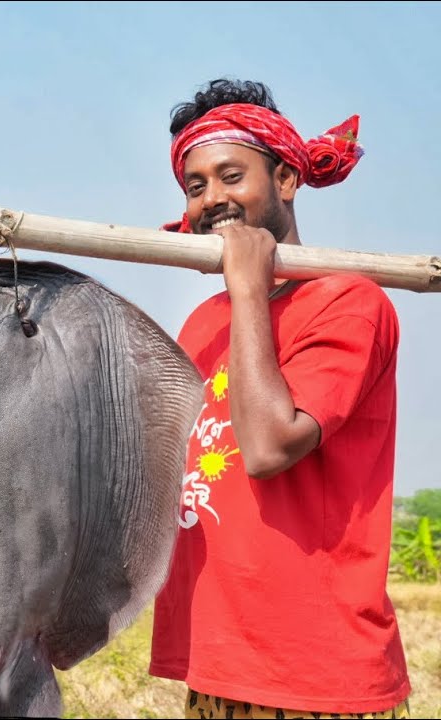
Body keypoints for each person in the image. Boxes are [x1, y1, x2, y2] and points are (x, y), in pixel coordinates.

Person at [148, 78, 411, 719]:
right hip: (217, 660)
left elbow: (268, 447)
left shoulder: (350, 302)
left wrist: (246, 287)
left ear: (288, 178)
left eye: (232, 176)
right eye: (196, 185)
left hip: (315, 674)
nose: (213, 200)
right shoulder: (204, 322)